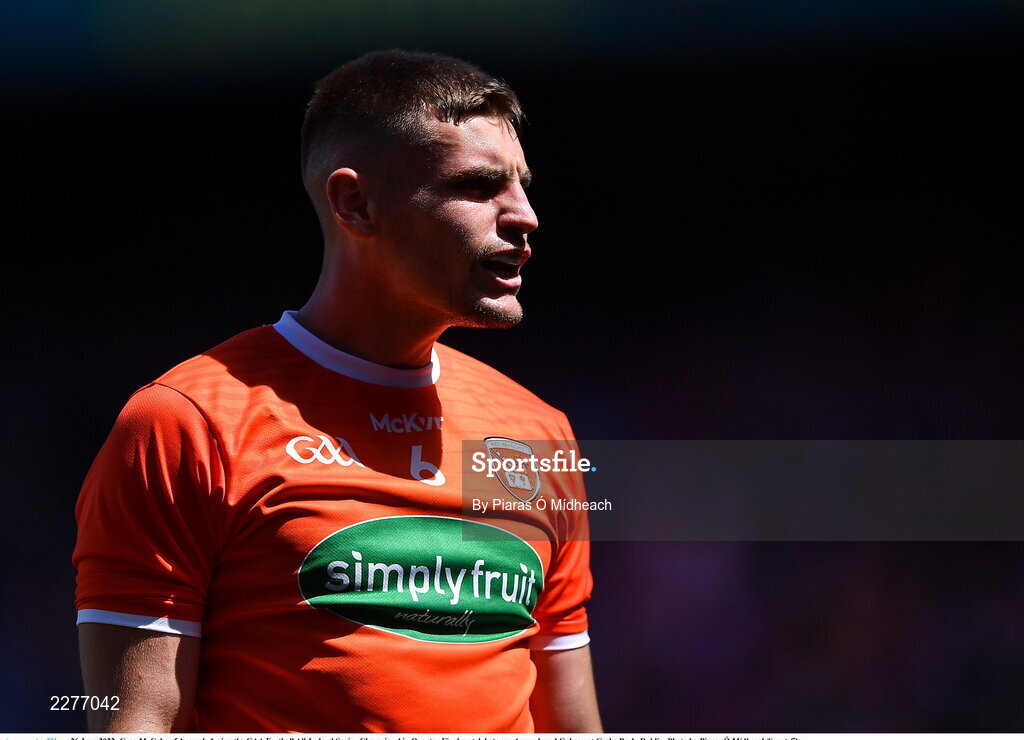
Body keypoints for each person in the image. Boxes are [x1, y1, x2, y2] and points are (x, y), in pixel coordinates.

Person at [74, 49, 601, 732]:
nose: (524, 216)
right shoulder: (185, 424)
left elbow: (572, 726)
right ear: (355, 203)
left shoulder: (539, 431)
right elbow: (135, 724)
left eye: (522, 185)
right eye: (478, 186)